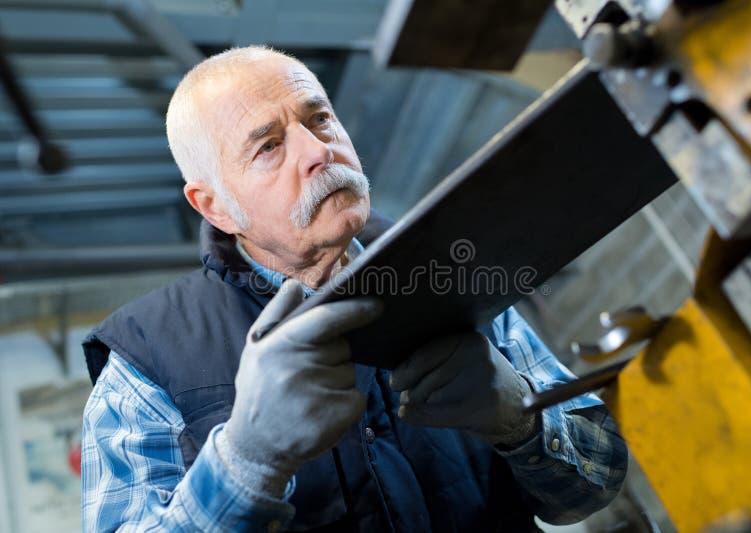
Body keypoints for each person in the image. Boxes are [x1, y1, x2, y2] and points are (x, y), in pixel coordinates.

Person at [81, 46, 628, 532]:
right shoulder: (143, 364)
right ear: (215, 206)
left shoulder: (455, 268)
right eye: (268, 146)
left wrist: (522, 421)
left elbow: (599, 482)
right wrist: (248, 462)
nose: (318, 151)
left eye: (319, 118)